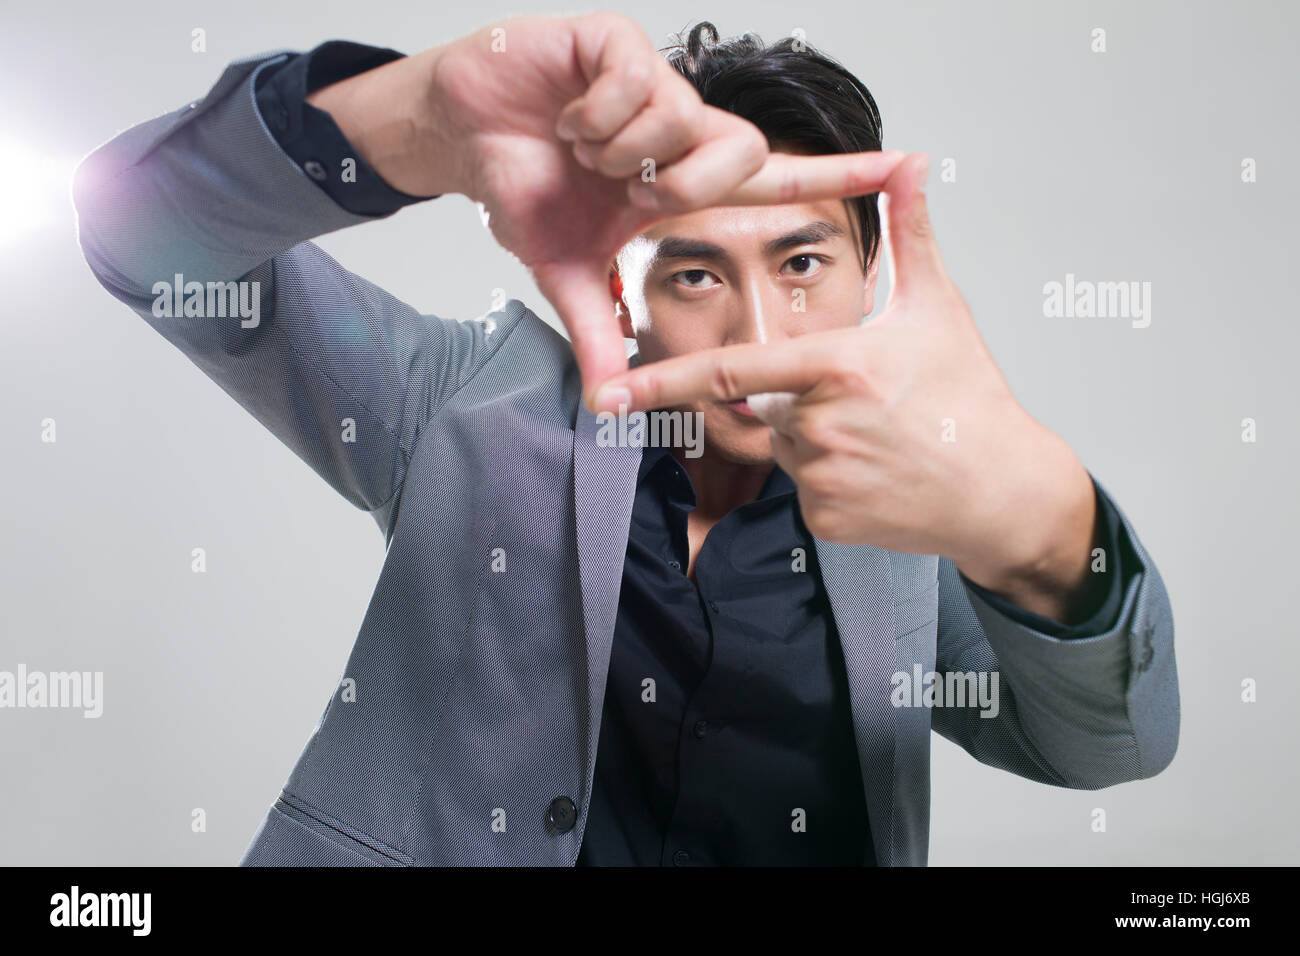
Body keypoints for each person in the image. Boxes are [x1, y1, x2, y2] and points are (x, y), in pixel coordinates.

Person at [71, 12, 1178, 866]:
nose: (756, 333)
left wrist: (1043, 521)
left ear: (869, 273)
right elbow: (143, 234)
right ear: (618, 283)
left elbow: (1105, 745)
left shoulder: (915, 520)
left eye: (802, 265)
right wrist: (412, 121)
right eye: (695, 272)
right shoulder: (459, 405)